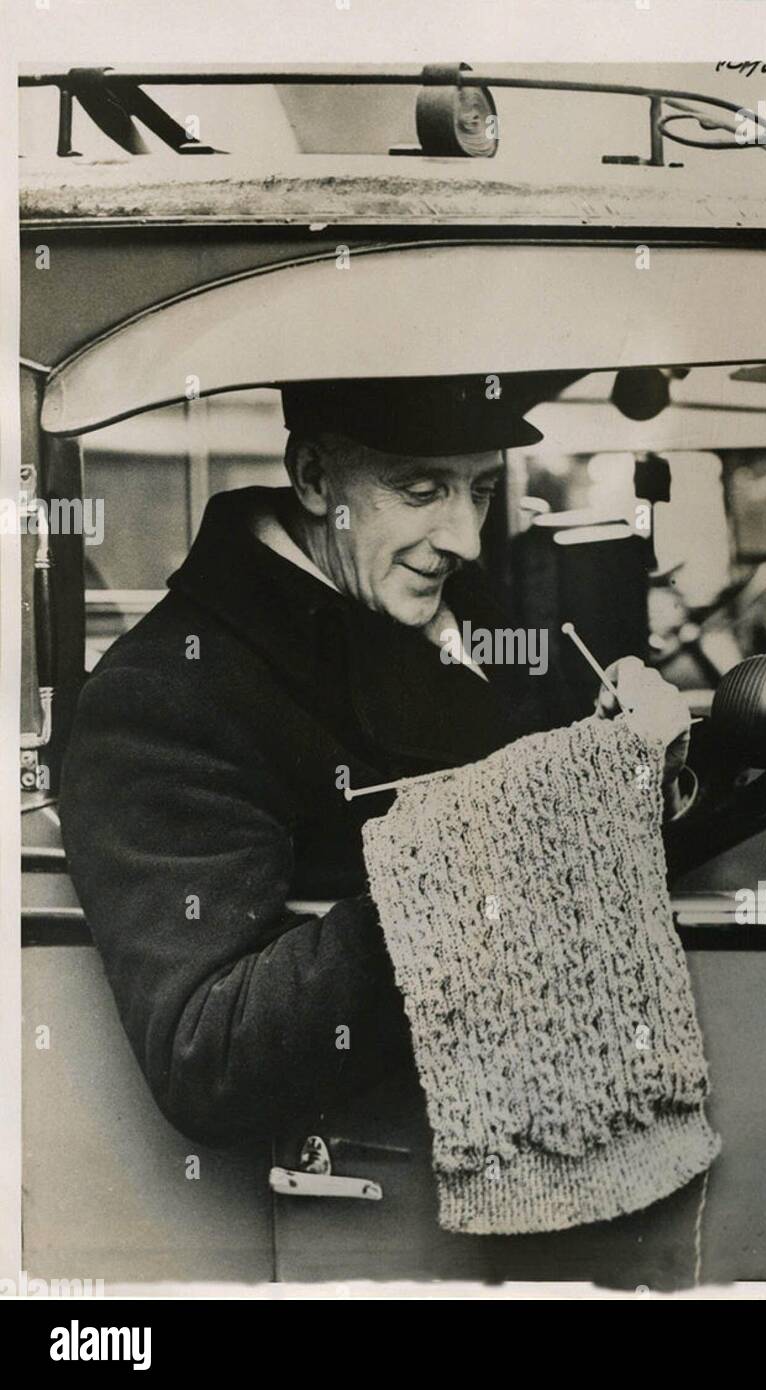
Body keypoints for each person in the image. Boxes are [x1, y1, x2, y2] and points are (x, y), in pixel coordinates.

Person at [60, 374, 694, 1159]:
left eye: (482, 490)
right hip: (371, 1200)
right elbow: (208, 1051)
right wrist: (504, 837)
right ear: (316, 478)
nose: (463, 537)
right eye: (421, 489)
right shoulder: (164, 694)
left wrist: (636, 772)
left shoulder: (463, 602)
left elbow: (570, 804)